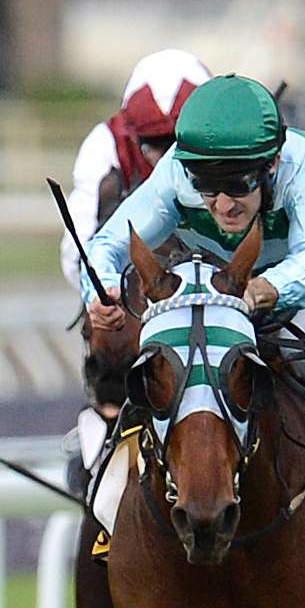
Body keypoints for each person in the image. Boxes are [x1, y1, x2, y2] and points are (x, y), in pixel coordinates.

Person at [82, 73, 305, 520]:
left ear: (270, 165)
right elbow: (110, 242)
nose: (223, 203)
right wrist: (102, 289)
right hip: (236, 291)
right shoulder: (177, 172)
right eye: (208, 186)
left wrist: (264, 289)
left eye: (238, 184)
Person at [60, 50, 210, 494]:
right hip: (138, 284)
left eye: (176, 142)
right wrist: (109, 296)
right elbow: (77, 252)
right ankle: (104, 431)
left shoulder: (233, 137)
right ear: (131, 133)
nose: (166, 159)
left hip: (216, 281)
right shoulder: (103, 148)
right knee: (110, 331)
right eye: (154, 144)